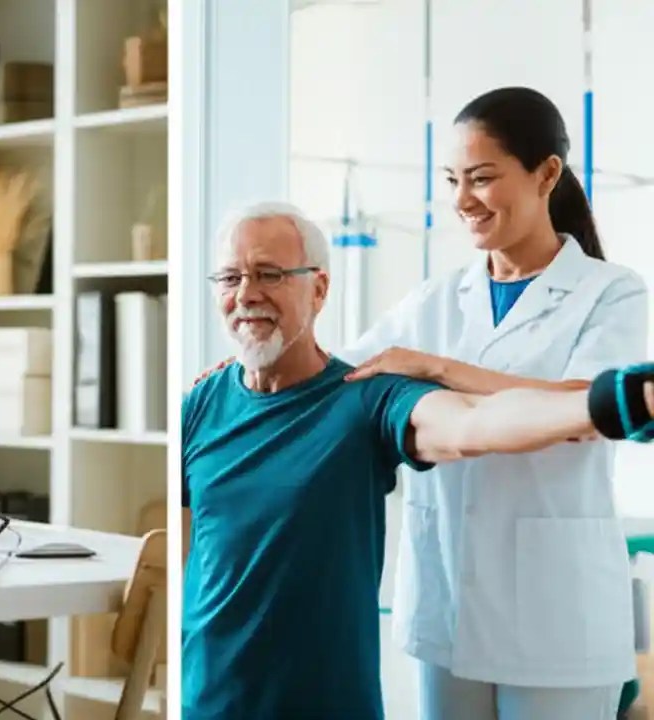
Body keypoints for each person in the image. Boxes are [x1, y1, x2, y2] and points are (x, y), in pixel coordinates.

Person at [181, 201, 646, 720]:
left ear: (319, 288)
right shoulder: (200, 405)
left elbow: (474, 426)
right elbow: (187, 562)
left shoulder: (363, 401)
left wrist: (609, 403)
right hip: (207, 698)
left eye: (269, 274)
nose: (246, 293)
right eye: (229, 277)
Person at [344, 86, 645, 719]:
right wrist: (251, 363)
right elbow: (343, 377)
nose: (461, 200)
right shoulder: (434, 298)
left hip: (555, 615)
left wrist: (436, 368)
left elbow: (585, 409)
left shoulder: (609, 292)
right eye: (453, 179)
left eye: (481, 179)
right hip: (446, 600)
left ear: (547, 175)